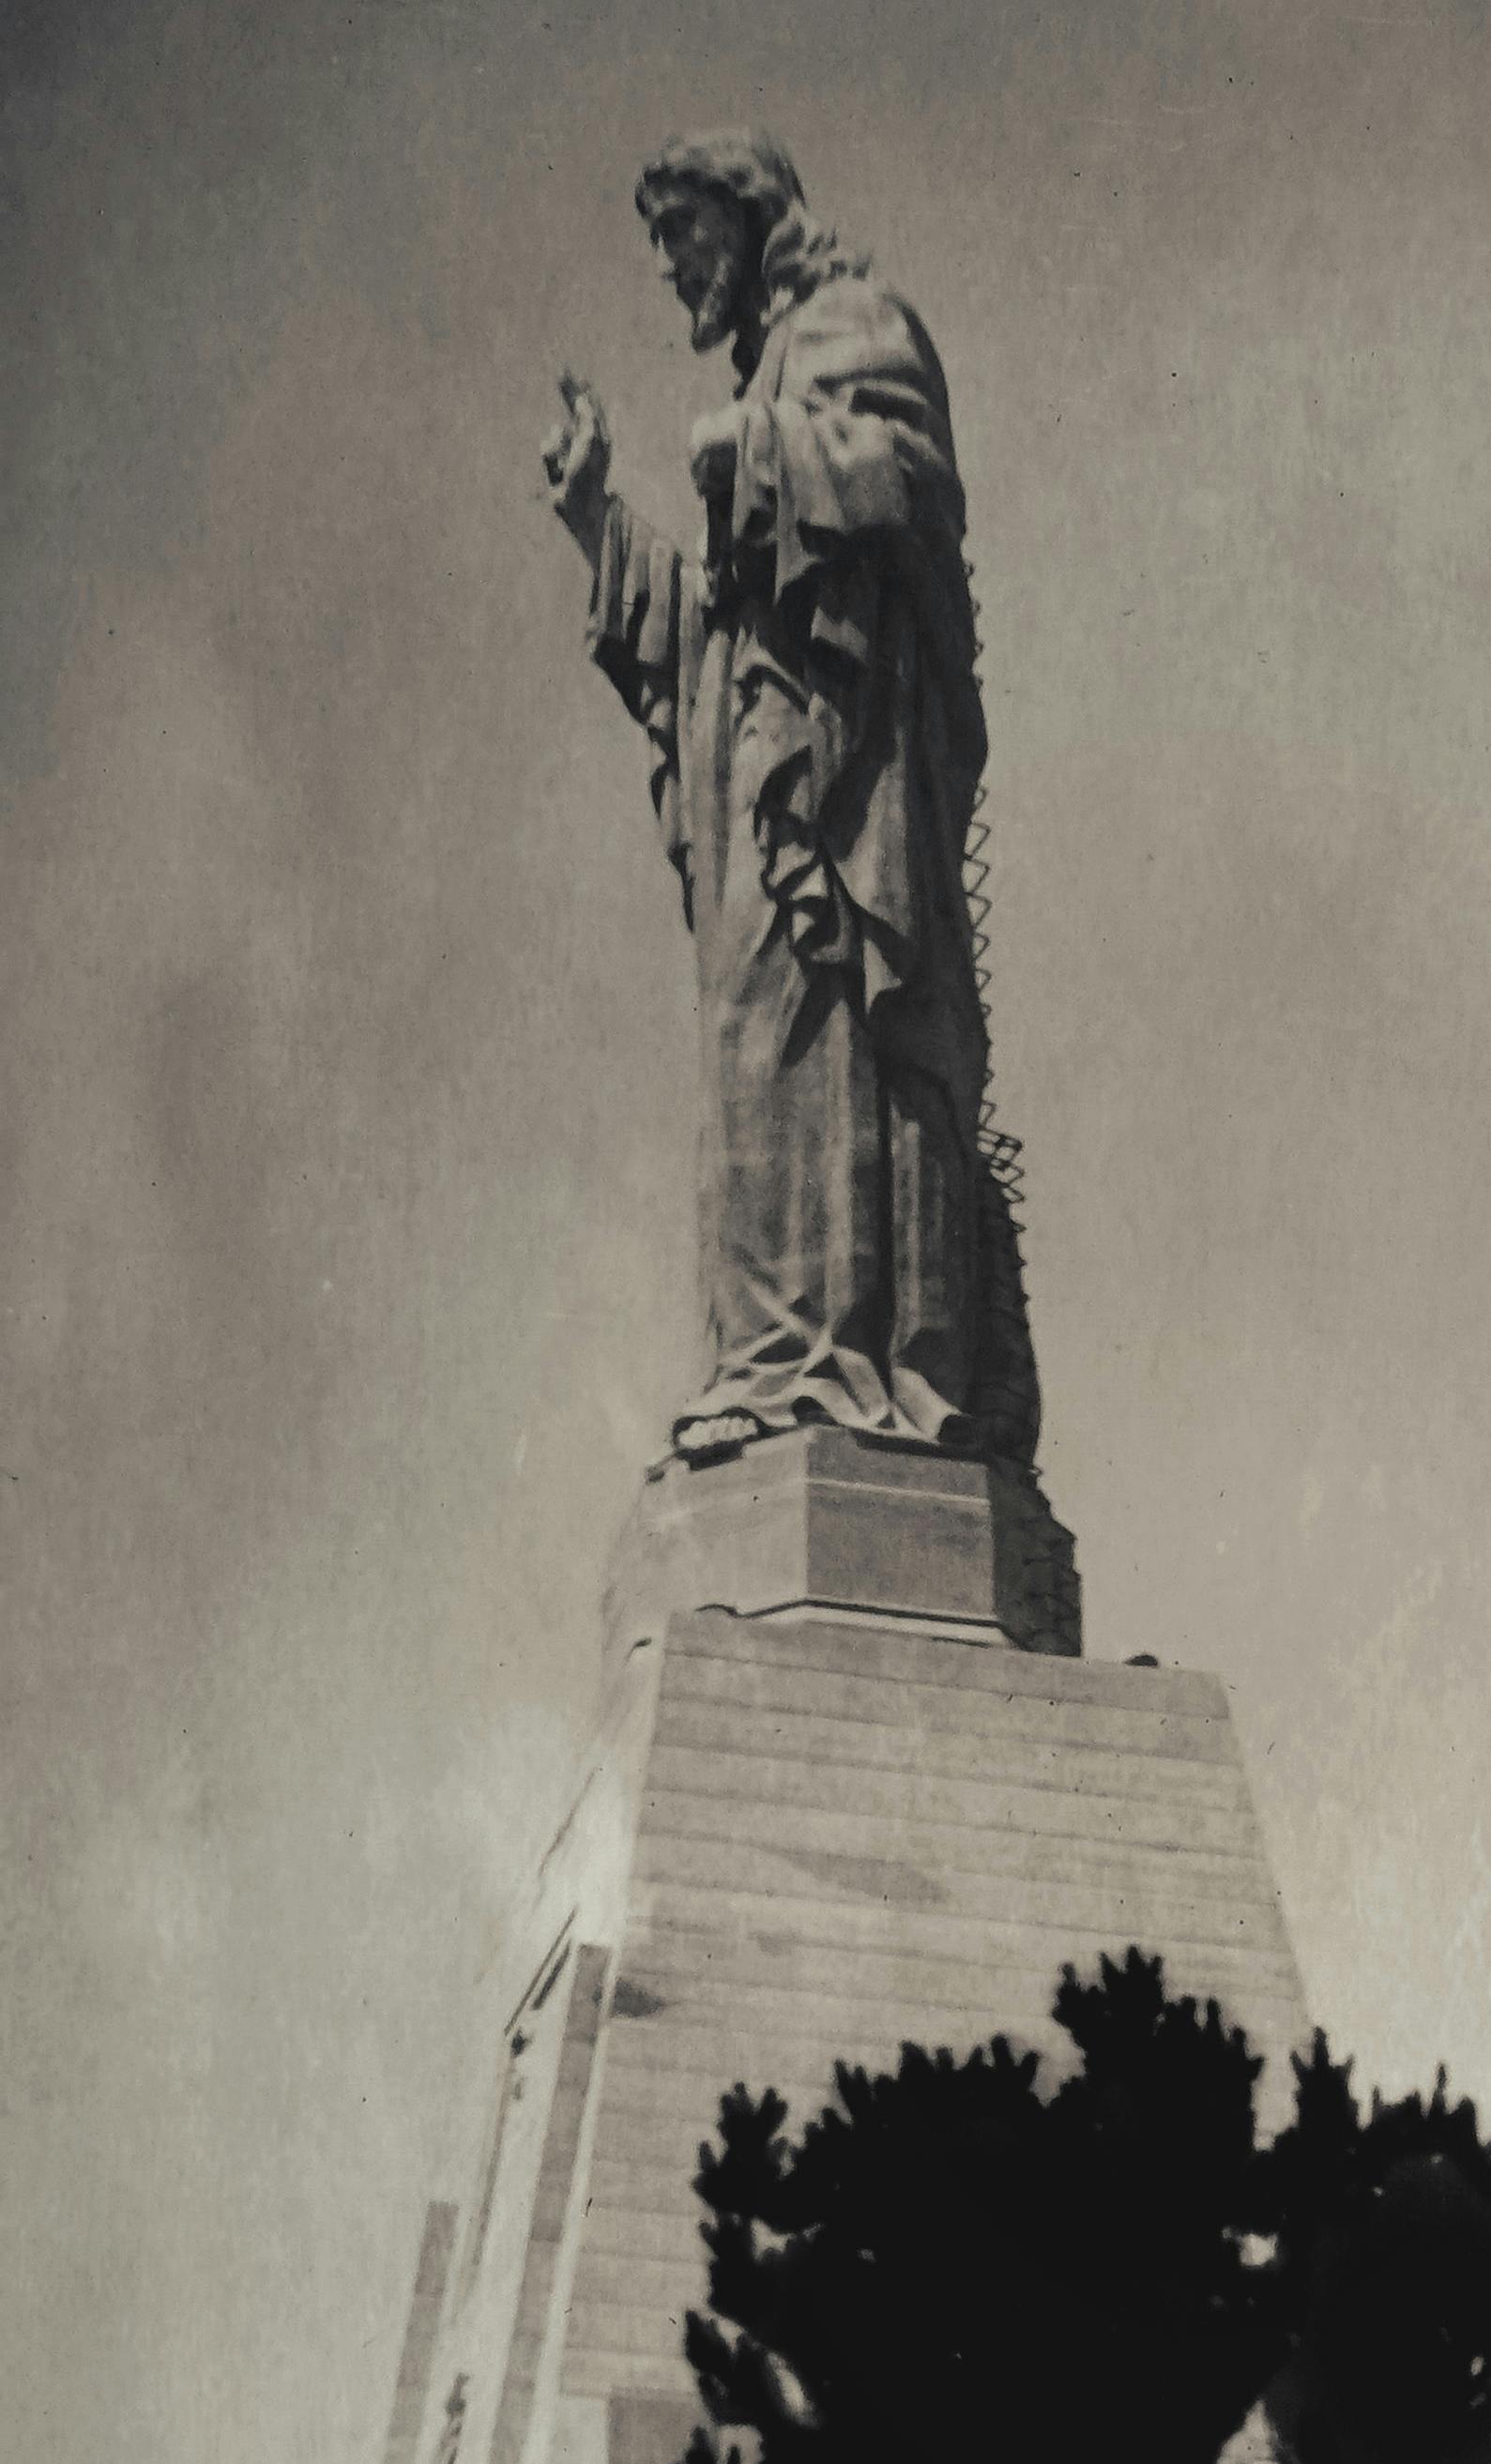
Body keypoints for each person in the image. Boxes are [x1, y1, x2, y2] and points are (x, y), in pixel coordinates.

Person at [543, 130, 1039, 1469]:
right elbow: (714, 625)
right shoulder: (768, 370)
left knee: (820, 1053)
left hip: (851, 789)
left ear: (748, 219)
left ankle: (840, 1374)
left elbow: (913, 489)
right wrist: (602, 523)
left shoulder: (854, 326)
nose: (674, 275)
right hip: (765, 783)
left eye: (685, 242)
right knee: (751, 1059)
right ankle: (776, 1369)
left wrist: (753, 444)